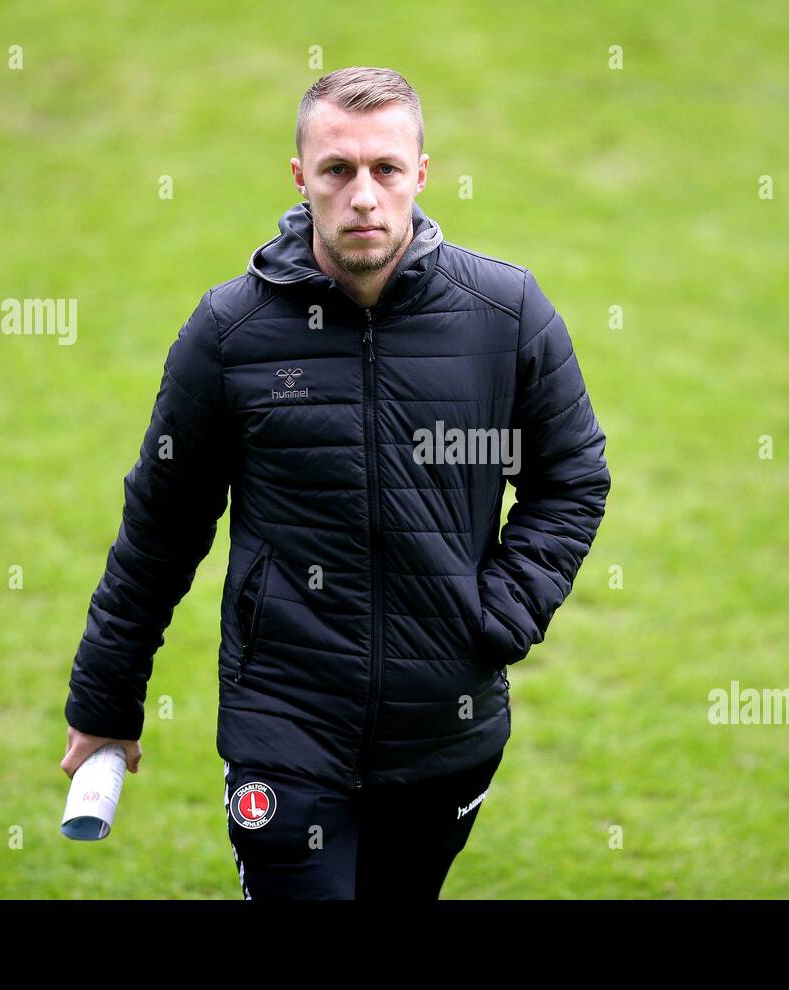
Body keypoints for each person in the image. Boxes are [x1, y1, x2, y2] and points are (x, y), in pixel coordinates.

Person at [60, 65, 611, 899]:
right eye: (338, 170)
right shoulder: (229, 334)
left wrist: (498, 614)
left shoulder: (504, 314)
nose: (363, 195)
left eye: (386, 169)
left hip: (445, 733)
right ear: (301, 179)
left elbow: (571, 476)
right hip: (284, 727)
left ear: (421, 174)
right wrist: (107, 699)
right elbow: (161, 529)